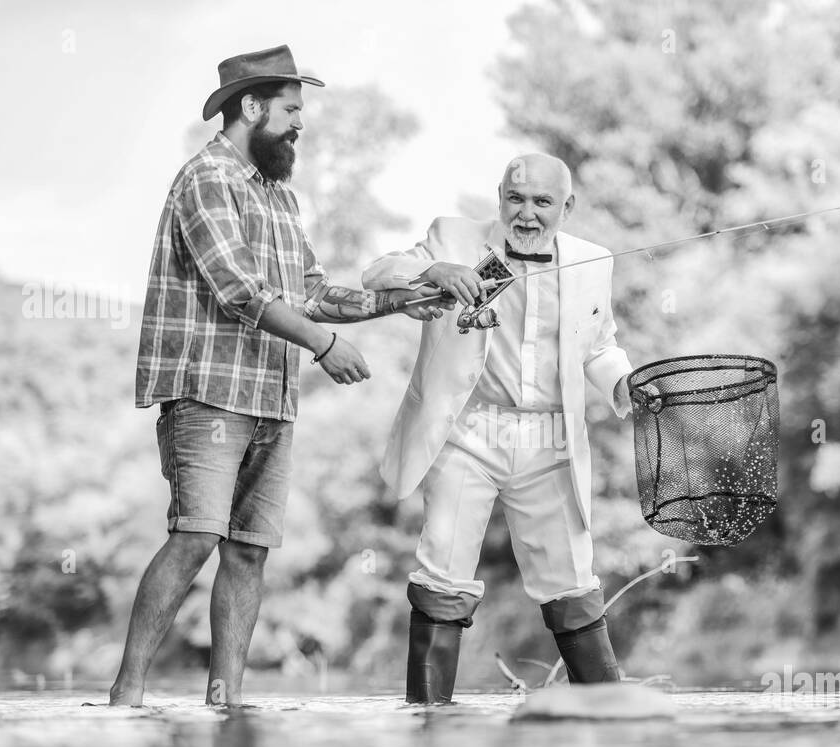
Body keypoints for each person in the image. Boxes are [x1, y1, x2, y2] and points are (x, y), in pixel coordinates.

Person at [110, 45, 446, 706]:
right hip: (208, 396)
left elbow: (312, 290)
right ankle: (127, 694)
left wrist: (399, 300)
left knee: (250, 550)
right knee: (197, 535)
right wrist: (323, 346)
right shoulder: (206, 178)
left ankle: (225, 698)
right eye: (292, 110)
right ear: (252, 106)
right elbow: (239, 290)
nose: (300, 125)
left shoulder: (280, 197)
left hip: (273, 399)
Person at [362, 152, 636, 703]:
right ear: (500, 197)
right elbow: (377, 272)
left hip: (551, 437)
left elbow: (600, 344)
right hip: (468, 431)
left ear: (567, 206)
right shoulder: (454, 238)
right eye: (516, 198)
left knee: (572, 577)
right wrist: (431, 272)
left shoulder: (594, 260)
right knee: (441, 566)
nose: (527, 214)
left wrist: (624, 385)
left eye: (543, 202)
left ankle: (608, 713)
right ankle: (429, 716)